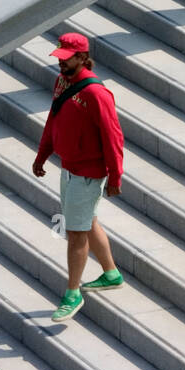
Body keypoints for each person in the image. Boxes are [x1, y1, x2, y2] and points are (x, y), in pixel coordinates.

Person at [32, 32, 126, 322]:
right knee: (87, 220)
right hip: (69, 167)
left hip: (88, 172)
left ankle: (73, 293)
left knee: (75, 232)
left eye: (66, 59)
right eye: (59, 58)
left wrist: (114, 176)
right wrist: (42, 154)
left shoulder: (96, 94)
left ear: (82, 57)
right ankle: (111, 273)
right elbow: (53, 118)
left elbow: (113, 136)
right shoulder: (62, 82)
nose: (61, 63)